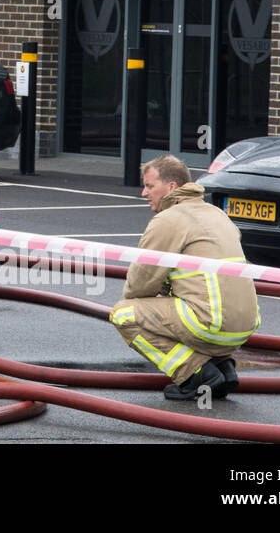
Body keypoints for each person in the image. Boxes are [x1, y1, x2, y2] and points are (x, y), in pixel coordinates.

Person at [109, 155, 260, 401]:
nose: (144, 193)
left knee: (123, 314)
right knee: (184, 300)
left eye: (149, 186)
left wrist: (151, 295)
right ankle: (222, 367)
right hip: (244, 326)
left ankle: (194, 374)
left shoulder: (169, 219)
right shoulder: (216, 214)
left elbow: (139, 283)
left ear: (171, 187)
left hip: (211, 325)